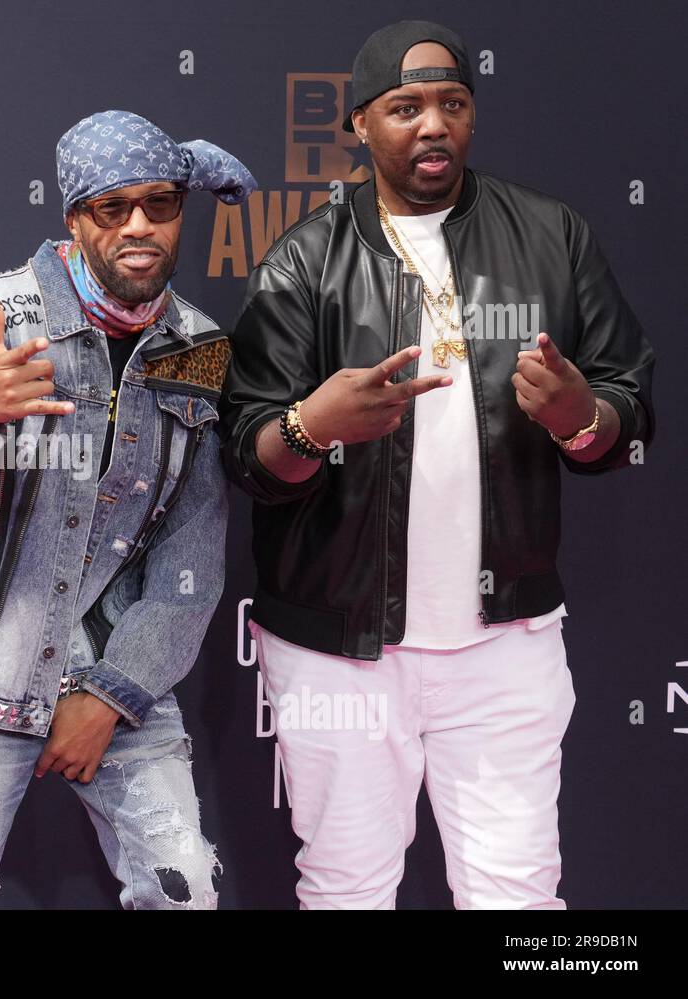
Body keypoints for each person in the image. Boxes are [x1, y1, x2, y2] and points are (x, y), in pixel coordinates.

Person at [220, 20, 655, 909]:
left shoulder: (552, 234)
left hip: (504, 644)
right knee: (347, 888)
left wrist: (583, 418)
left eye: (452, 104)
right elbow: (249, 456)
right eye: (405, 106)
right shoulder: (302, 262)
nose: (432, 126)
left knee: (519, 893)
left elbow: (627, 410)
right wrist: (313, 426)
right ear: (360, 124)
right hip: (339, 649)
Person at [0, 110, 255, 909]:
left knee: (185, 889)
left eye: (159, 205)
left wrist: (115, 691)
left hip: (119, 669)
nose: (139, 227)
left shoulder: (199, 347)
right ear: (73, 218)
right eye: (111, 208)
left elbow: (191, 552)